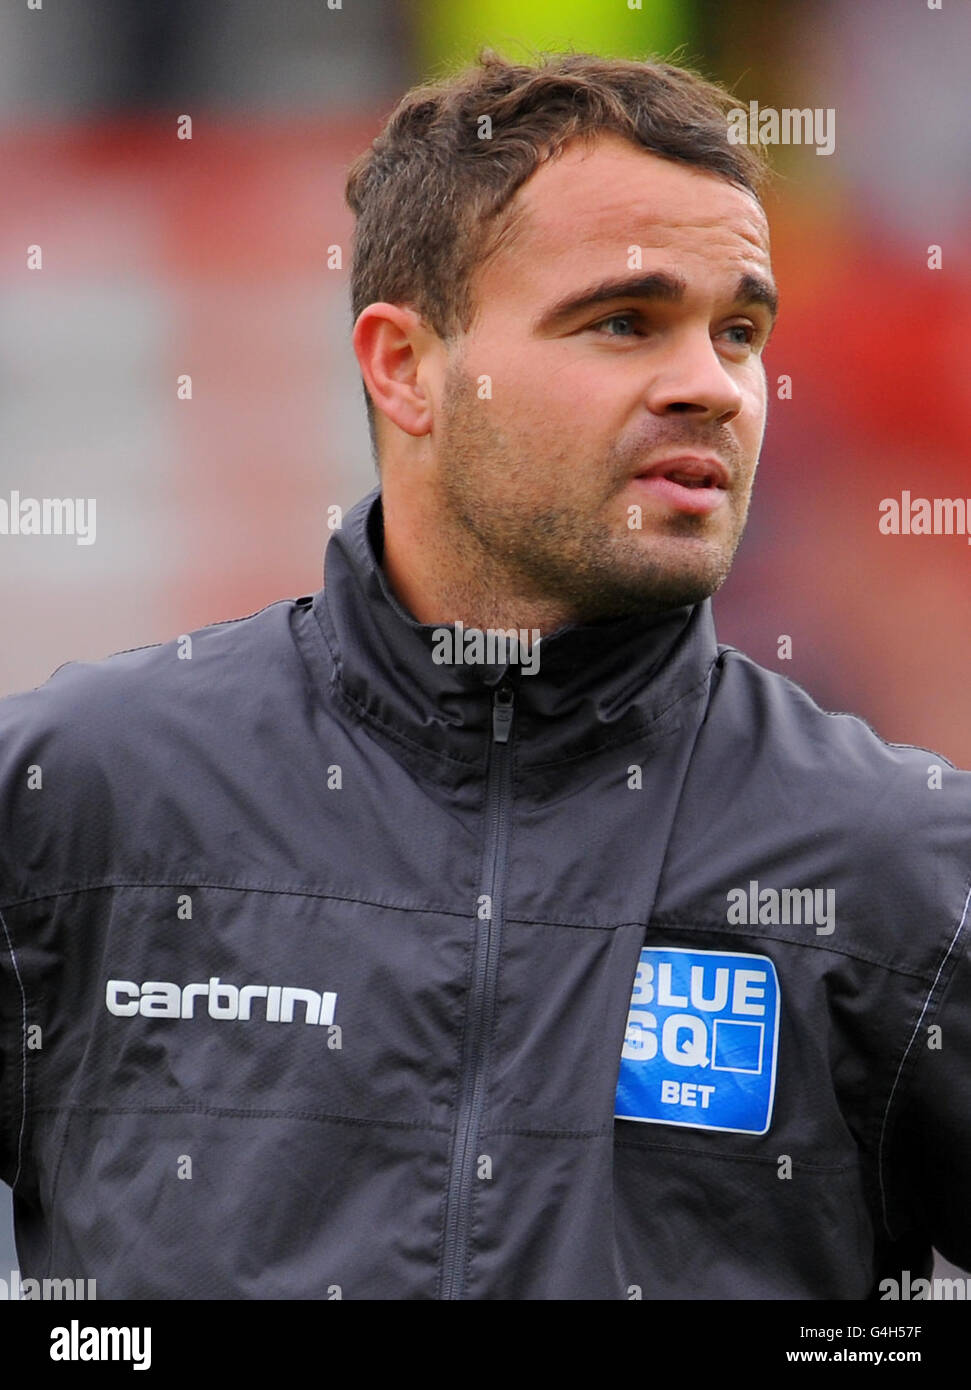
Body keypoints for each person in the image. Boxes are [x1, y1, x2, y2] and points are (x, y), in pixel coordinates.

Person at [0, 49, 968, 1302]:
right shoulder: (78, 793)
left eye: (737, 330)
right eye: (623, 321)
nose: (711, 387)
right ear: (405, 366)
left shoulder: (895, 861)